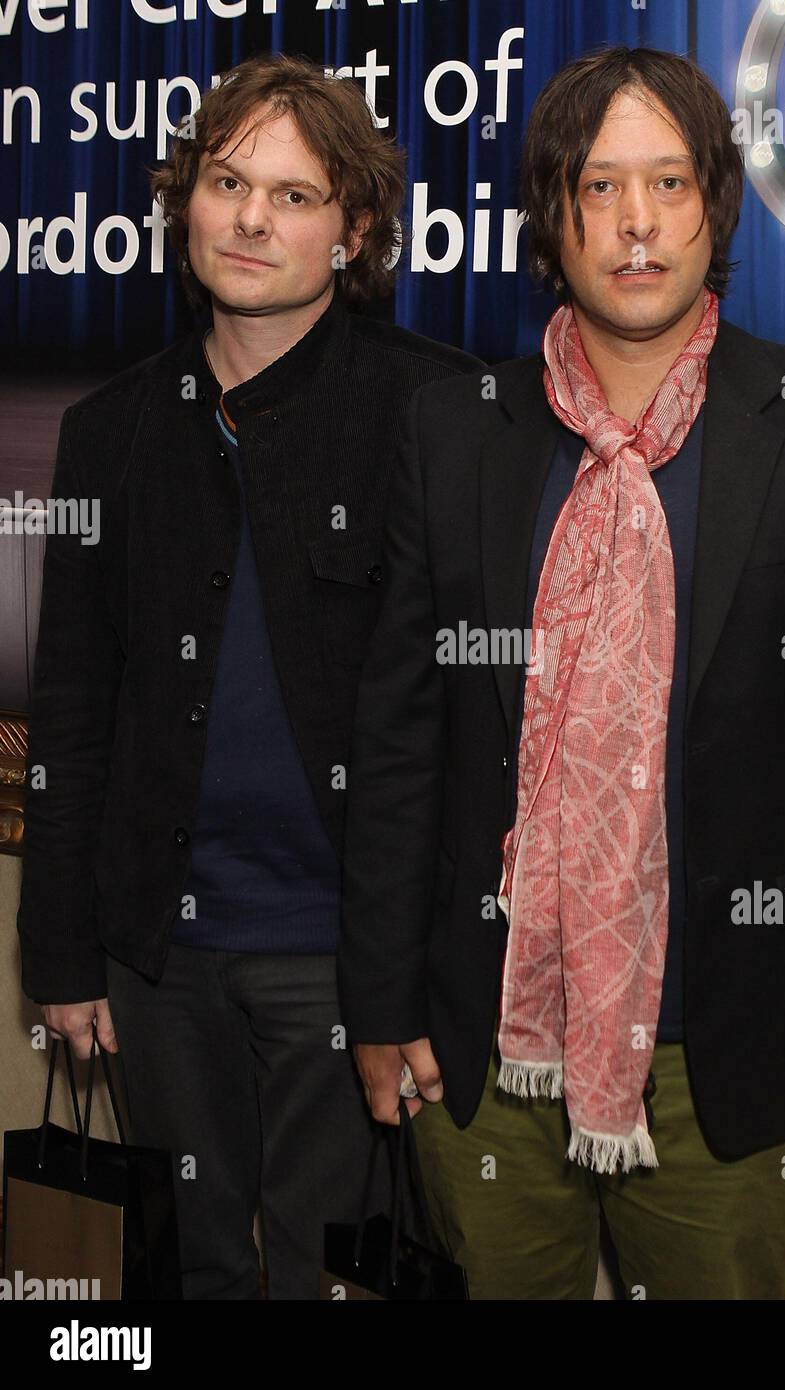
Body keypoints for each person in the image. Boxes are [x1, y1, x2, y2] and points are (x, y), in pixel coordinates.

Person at [338, 46, 785, 1300]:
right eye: (596, 186)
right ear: (548, 220)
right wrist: (380, 1001)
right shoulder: (453, 431)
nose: (634, 225)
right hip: (489, 1047)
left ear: (714, 204)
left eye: (667, 183)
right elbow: (402, 739)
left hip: (719, 1051)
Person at [16, 51, 482, 1300]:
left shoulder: (432, 413)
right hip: (158, 959)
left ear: (357, 230)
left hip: (353, 963)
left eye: (293, 194)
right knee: (182, 1272)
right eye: (227, 182)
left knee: (336, 1282)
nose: (251, 218)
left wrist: (439, 964)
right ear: (186, 202)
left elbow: (473, 722)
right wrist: (60, 952)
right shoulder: (106, 430)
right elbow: (72, 701)